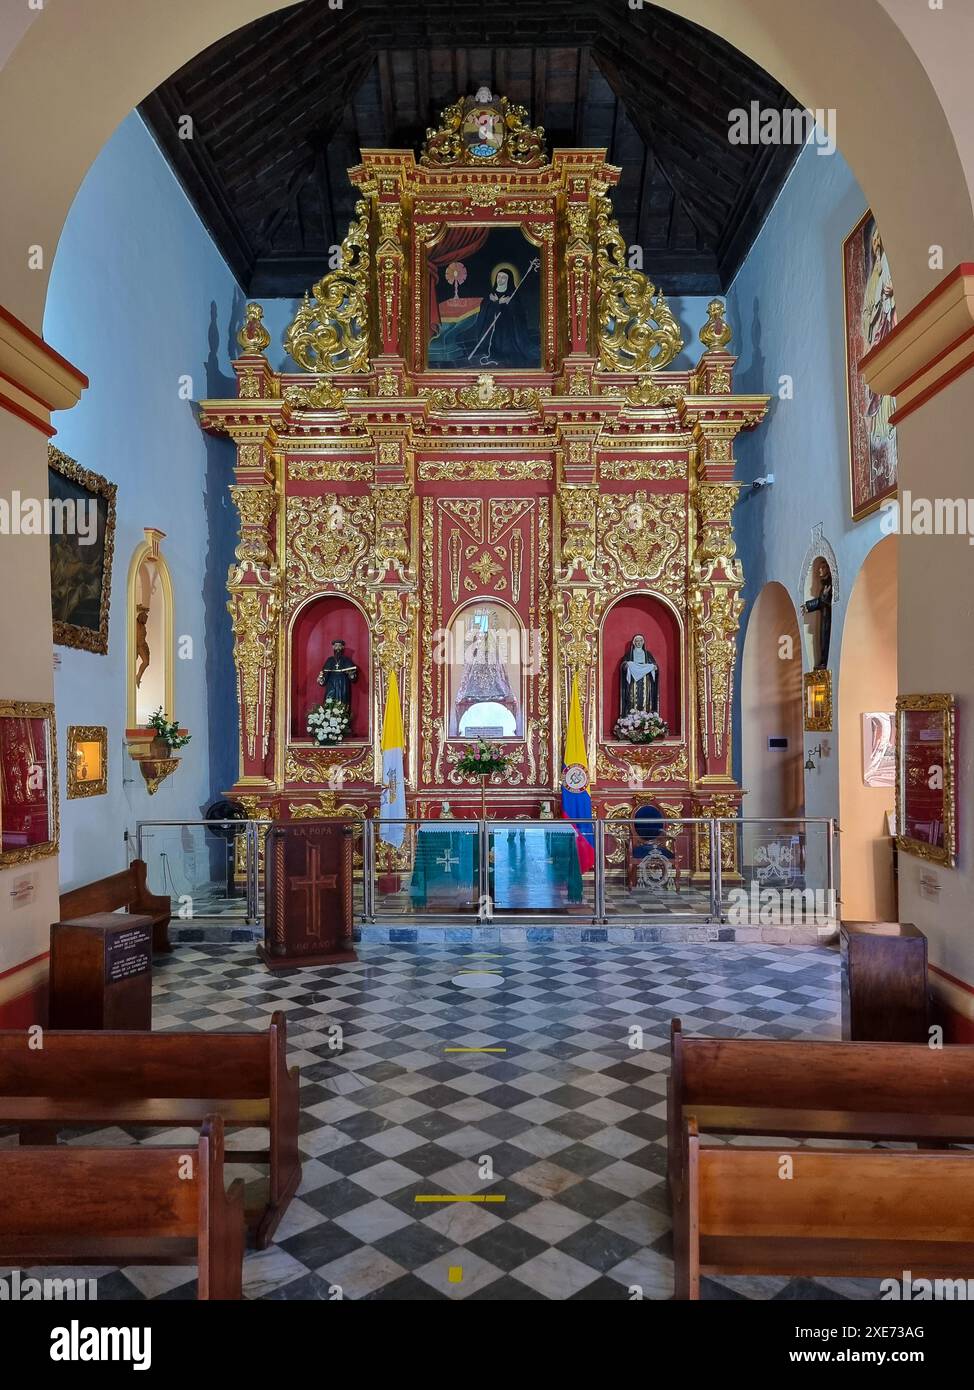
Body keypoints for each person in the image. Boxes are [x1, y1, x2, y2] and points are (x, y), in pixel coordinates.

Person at [619, 635, 659, 717]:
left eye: (640, 641)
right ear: (634, 643)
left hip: (645, 679)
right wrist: (626, 665)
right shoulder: (629, 654)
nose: (638, 643)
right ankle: (631, 716)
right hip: (633, 679)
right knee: (632, 696)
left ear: (643, 642)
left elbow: (654, 665)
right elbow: (623, 665)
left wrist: (655, 667)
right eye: (637, 641)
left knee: (645, 697)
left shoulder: (647, 654)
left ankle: (646, 716)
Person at [317, 638, 357, 705]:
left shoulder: (346, 660)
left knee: (342, 702)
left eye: (339, 646)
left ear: (342, 647)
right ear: (333, 647)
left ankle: (342, 715)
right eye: (336, 646)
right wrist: (321, 679)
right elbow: (325, 674)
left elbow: (352, 676)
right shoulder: (330, 660)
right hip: (331, 683)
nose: (337, 648)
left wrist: (351, 675)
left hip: (343, 684)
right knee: (329, 702)